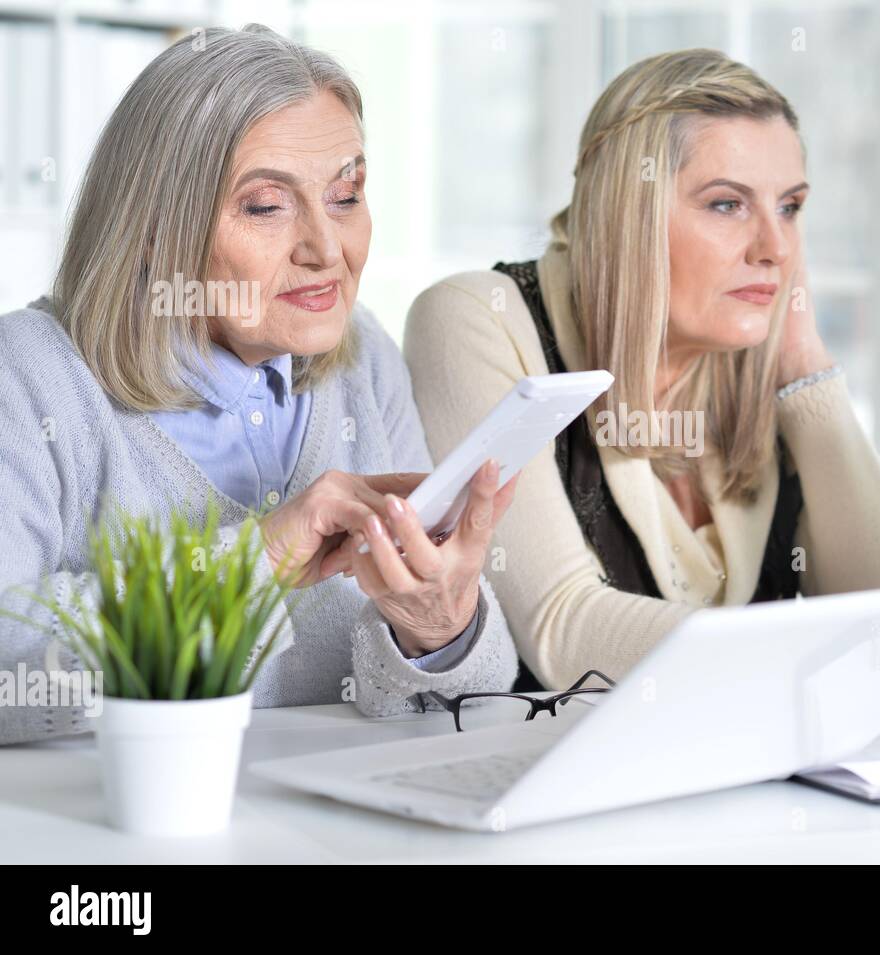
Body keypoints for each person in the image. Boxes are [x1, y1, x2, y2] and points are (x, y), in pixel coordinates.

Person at [404, 49, 880, 716]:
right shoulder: (480, 317)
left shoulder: (748, 359)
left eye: (789, 207)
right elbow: (563, 625)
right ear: (625, 216)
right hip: (541, 800)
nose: (775, 248)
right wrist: (850, 654)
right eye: (727, 205)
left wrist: (805, 366)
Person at [0, 25, 518, 746]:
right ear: (154, 228)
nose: (326, 250)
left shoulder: (364, 357)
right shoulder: (30, 374)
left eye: (344, 196)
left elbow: (471, 698)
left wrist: (441, 623)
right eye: (267, 206)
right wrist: (255, 562)